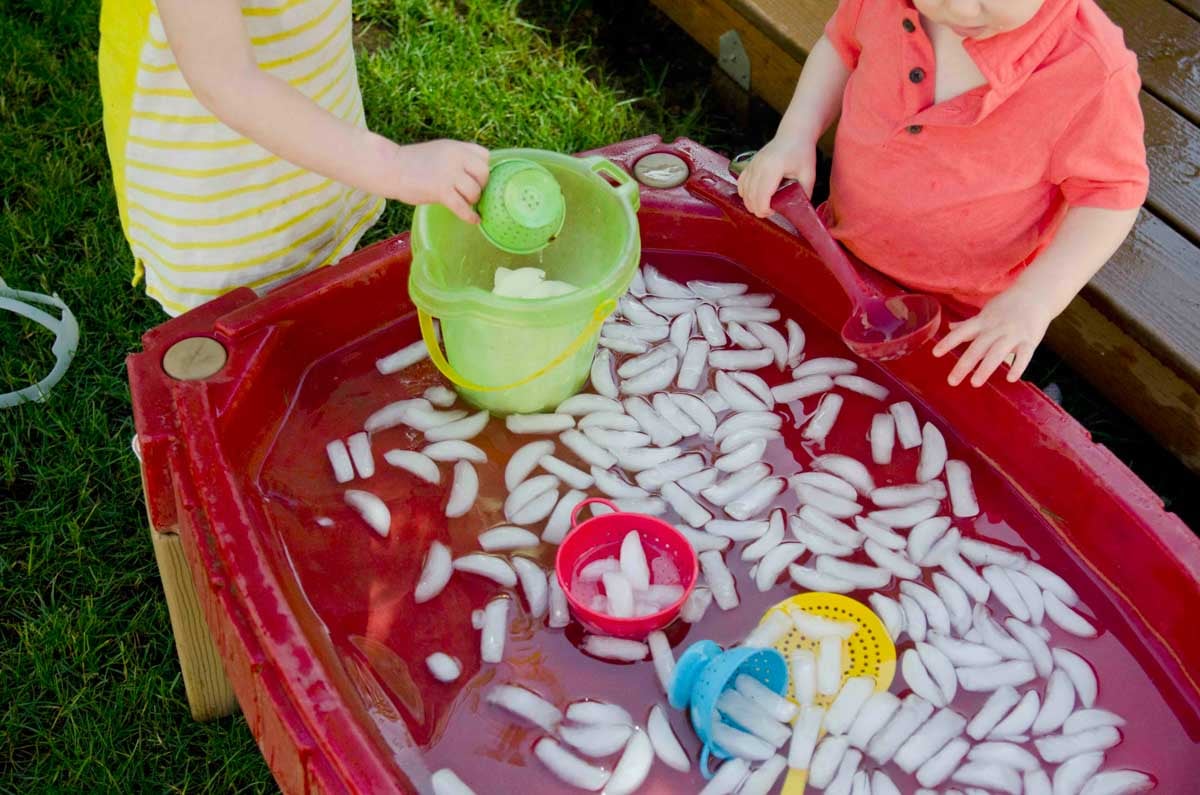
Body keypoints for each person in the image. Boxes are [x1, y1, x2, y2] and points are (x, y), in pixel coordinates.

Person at [737, 0, 1148, 387]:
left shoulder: (1090, 72)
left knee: (931, 409)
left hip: (965, 314)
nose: (960, 8)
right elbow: (840, 45)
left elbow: (1110, 193)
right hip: (841, 246)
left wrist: (1036, 299)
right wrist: (796, 133)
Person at [99, 0, 489, 316]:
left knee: (319, 254)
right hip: (218, 174)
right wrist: (395, 166)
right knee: (241, 323)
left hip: (311, 103)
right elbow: (229, 83)